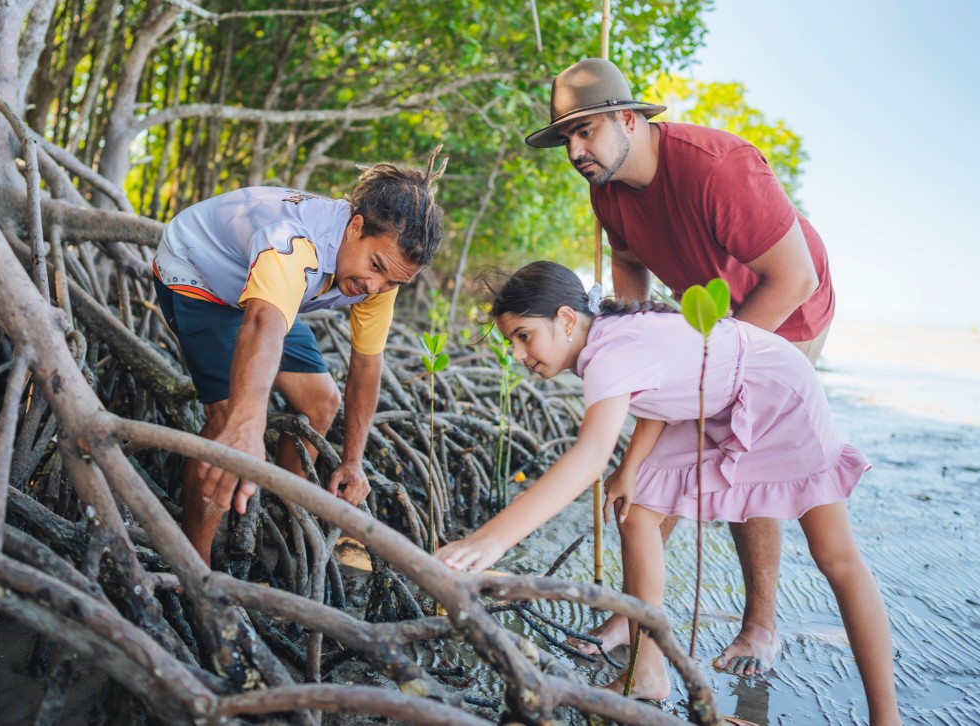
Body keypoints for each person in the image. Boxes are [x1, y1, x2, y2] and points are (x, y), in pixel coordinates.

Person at [436, 263, 899, 724]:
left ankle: (886, 717)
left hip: (777, 393)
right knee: (637, 514)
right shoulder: (603, 341)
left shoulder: (608, 353)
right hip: (709, 403)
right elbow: (663, 394)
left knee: (834, 556)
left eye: (523, 335)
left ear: (567, 319)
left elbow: (589, 456)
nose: (517, 354)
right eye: (510, 342)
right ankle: (648, 671)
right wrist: (630, 467)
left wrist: (489, 542)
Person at [525, 58, 836, 675]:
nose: (575, 150)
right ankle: (633, 614)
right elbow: (628, 262)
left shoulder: (719, 168)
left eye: (586, 131)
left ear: (628, 118)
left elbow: (795, 278)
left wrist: (712, 366)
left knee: (743, 452)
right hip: (705, 315)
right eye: (566, 137)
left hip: (788, 308)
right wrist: (635, 338)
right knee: (657, 453)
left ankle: (759, 628)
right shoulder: (605, 185)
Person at [153, 160, 444, 564]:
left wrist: (353, 461)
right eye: (375, 267)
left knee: (320, 401)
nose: (375, 287)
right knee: (227, 424)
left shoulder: (384, 272)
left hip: (265, 294)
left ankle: (285, 507)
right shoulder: (295, 244)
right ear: (355, 228)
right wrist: (248, 424)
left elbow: (366, 364)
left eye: (393, 281)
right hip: (201, 277)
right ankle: (191, 566)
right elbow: (260, 324)